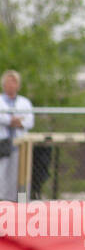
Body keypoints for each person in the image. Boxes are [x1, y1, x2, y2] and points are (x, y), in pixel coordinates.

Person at [0, 70, 36, 202]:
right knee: (3, 175)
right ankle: (3, 201)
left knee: (21, 175)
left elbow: (29, 121)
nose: (11, 85)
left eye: (14, 82)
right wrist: (11, 120)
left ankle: (21, 201)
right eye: (9, 82)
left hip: (20, 145)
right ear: (3, 85)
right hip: (3, 144)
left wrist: (15, 122)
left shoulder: (24, 102)